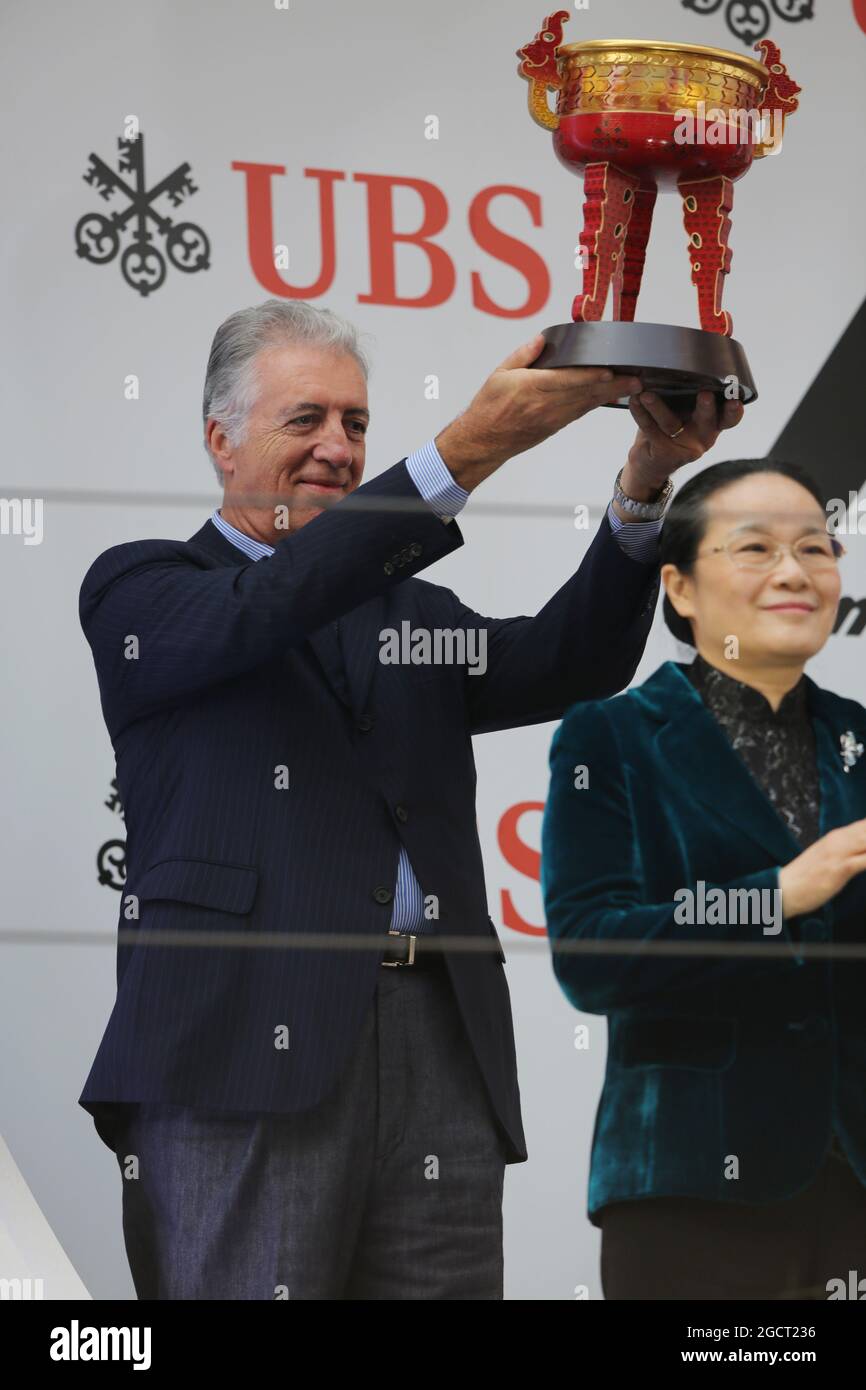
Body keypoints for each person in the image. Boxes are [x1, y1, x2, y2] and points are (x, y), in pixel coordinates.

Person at [79, 297, 740, 1300]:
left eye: (355, 424)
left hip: (439, 1047)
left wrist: (644, 484)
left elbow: (573, 659)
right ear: (219, 438)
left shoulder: (408, 611)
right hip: (238, 1050)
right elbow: (264, 607)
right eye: (304, 420)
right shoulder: (142, 591)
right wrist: (464, 451)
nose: (337, 449)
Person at [542, 457, 866, 1300]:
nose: (796, 571)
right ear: (681, 589)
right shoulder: (612, 737)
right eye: (755, 549)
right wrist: (778, 896)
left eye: (817, 549)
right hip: (692, 1184)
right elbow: (591, 954)